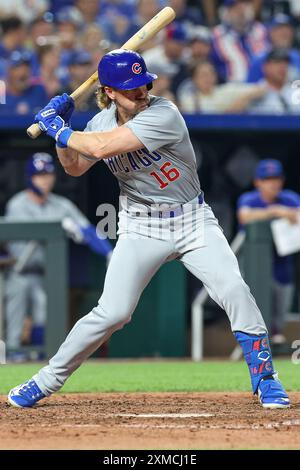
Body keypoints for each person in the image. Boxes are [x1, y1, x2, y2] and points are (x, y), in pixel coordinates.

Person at [8, 49, 290, 409]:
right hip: (140, 224)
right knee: (113, 312)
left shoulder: (164, 113)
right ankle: (45, 380)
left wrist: (62, 130)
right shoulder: (97, 124)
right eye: (130, 88)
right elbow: (76, 166)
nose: (141, 92)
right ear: (108, 91)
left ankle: (266, 377)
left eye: (143, 84)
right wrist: (61, 139)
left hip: (191, 219)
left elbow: (105, 146)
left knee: (233, 287)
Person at [5, 152, 113, 359]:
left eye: (48, 175)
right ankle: (12, 363)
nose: (45, 180)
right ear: (30, 177)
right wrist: (59, 226)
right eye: (39, 175)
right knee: (15, 321)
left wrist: (108, 252)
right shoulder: (17, 204)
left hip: (45, 274)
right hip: (18, 272)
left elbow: (87, 230)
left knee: (44, 316)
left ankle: (37, 361)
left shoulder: (61, 205)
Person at [237, 159, 300, 345]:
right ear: (258, 182)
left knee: (282, 299)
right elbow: (244, 215)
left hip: (282, 259)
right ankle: (254, 337)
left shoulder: (288, 198)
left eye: (276, 178)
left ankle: (276, 333)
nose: (273, 183)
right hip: (253, 260)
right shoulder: (249, 198)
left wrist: (284, 210)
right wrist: (273, 211)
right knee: (252, 299)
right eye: (267, 179)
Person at [177, 59, 267, 113]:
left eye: (211, 74)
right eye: (203, 75)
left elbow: (261, 89)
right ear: (194, 79)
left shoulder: (225, 91)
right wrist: (229, 112)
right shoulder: (189, 100)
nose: (208, 78)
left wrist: (243, 99)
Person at [211, 0, 268, 83]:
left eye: (244, 6)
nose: (240, 11)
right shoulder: (216, 34)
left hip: (263, 85)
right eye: (235, 8)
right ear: (225, 13)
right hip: (233, 87)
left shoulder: (261, 29)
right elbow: (213, 64)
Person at [248, 14, 300, 83]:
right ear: (271, 33)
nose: (284, 33)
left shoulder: (297, 57)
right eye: (279, 29)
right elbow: (250, 87)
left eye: (287, 29)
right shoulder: (260, 59)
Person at [248, 47, 299, 114]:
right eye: (277, 62)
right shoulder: (254, 92)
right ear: (265, 67)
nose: (282, 66)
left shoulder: (295, 91)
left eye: (285, 63)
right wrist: (248, 98)